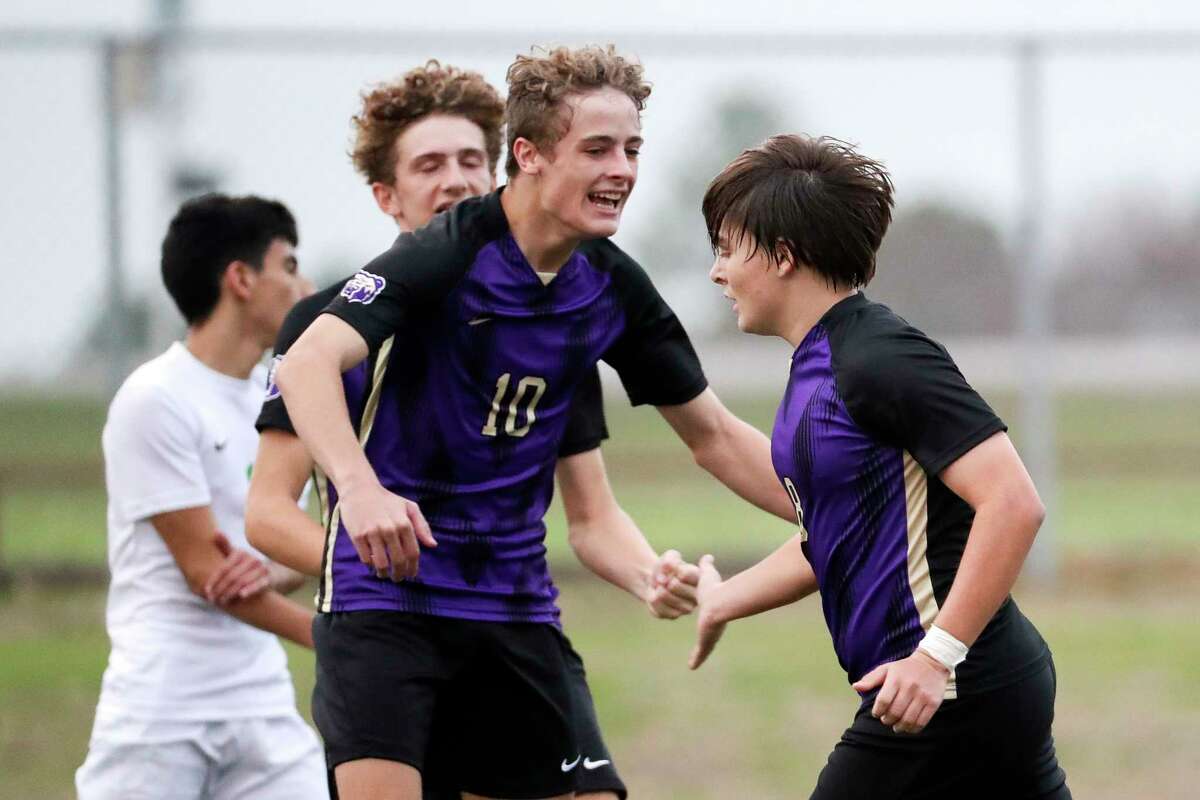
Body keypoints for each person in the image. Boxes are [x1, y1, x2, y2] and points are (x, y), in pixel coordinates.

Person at [273, 45, 795, 800]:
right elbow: (305, 364)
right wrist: (358, 489)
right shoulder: (441, 258)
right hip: (388, 606)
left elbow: (712, 435)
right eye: (598, 149)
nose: (623, 169)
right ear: (529, 155)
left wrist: (841, 511)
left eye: (632, 148)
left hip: (514, 613)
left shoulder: (608, 289)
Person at [690, 134, 1071, 800]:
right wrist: (726, 598)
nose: (718, 272)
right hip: (951, 689)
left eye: (727, 248)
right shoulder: (818, 365)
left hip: (950, 692)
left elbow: (1014, 503)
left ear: (783, 256)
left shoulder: (881, 357)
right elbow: (839, 536)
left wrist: (934, 658)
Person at [76, 194, 328, 799]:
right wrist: (338, 641)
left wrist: (268, 570)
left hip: (262, 708)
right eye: (288, 266)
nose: (306, 285)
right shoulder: (154, 399)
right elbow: (206, 574)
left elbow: (271, 563)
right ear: (240, 279)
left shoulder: (279, 396)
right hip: (161, 716)